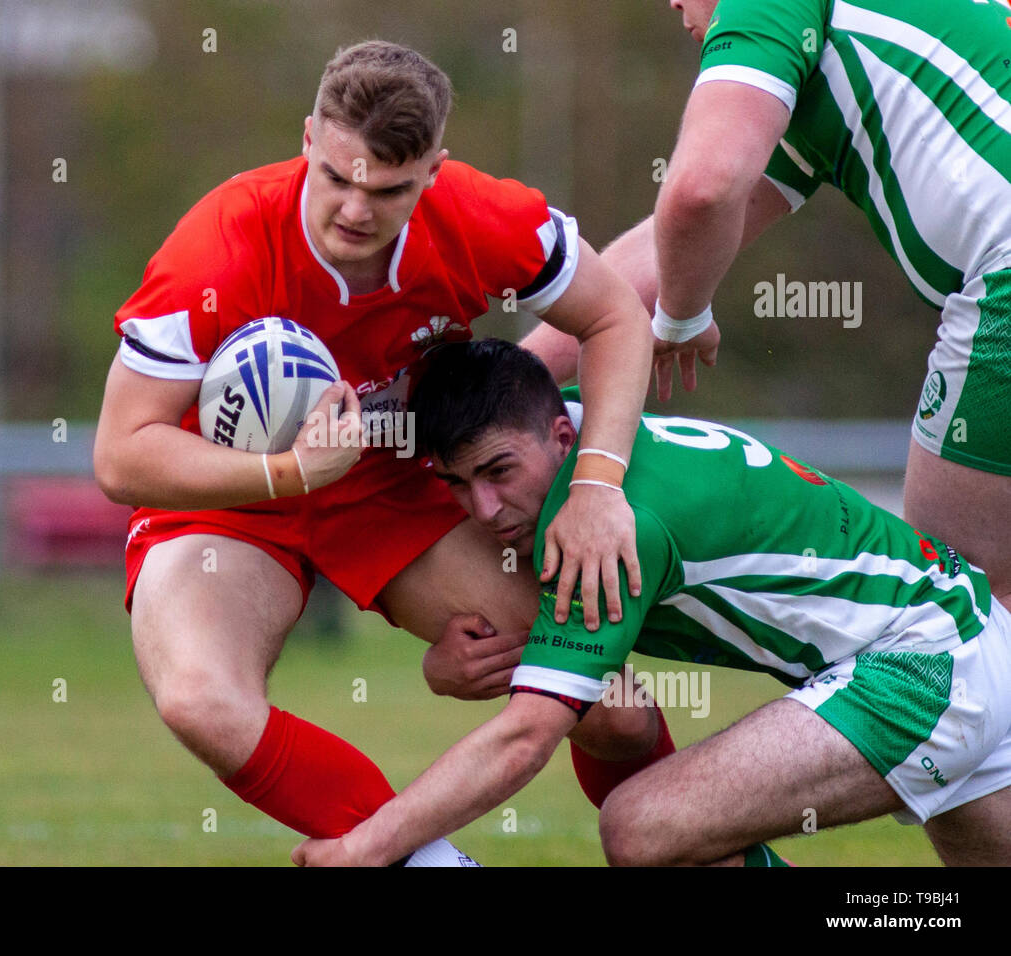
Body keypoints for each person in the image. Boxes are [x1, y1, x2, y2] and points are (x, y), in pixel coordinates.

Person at [92, 40, 664, 861]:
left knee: (608, 702)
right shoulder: (218, 247)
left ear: (434, 172)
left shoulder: (479, 218)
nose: (355, 210)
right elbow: (120, 456)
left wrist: (598, 486)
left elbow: (612, 318)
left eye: (390, 189)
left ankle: (707, 850)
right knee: (199, 699)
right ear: (308, 141)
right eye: (336, 177)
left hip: (391, 492)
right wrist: (285, 471)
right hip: (229, 497)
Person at [293, 339, 1011, 866]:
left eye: (497, 472)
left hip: (923, 666)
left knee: (642, 827)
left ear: (561, 436)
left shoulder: (601, 527)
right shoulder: (584, 436)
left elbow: (527, 737)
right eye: (457, 483)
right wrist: (443, 669)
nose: (483, 508)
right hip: (959, 634)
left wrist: (369, 847)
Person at [524, 0, 1011, 609]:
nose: (673, 3)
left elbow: (701, 187)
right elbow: (665, 243)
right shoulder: (828, 73)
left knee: (958, 605)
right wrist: (511, 379)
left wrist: (683, 315)